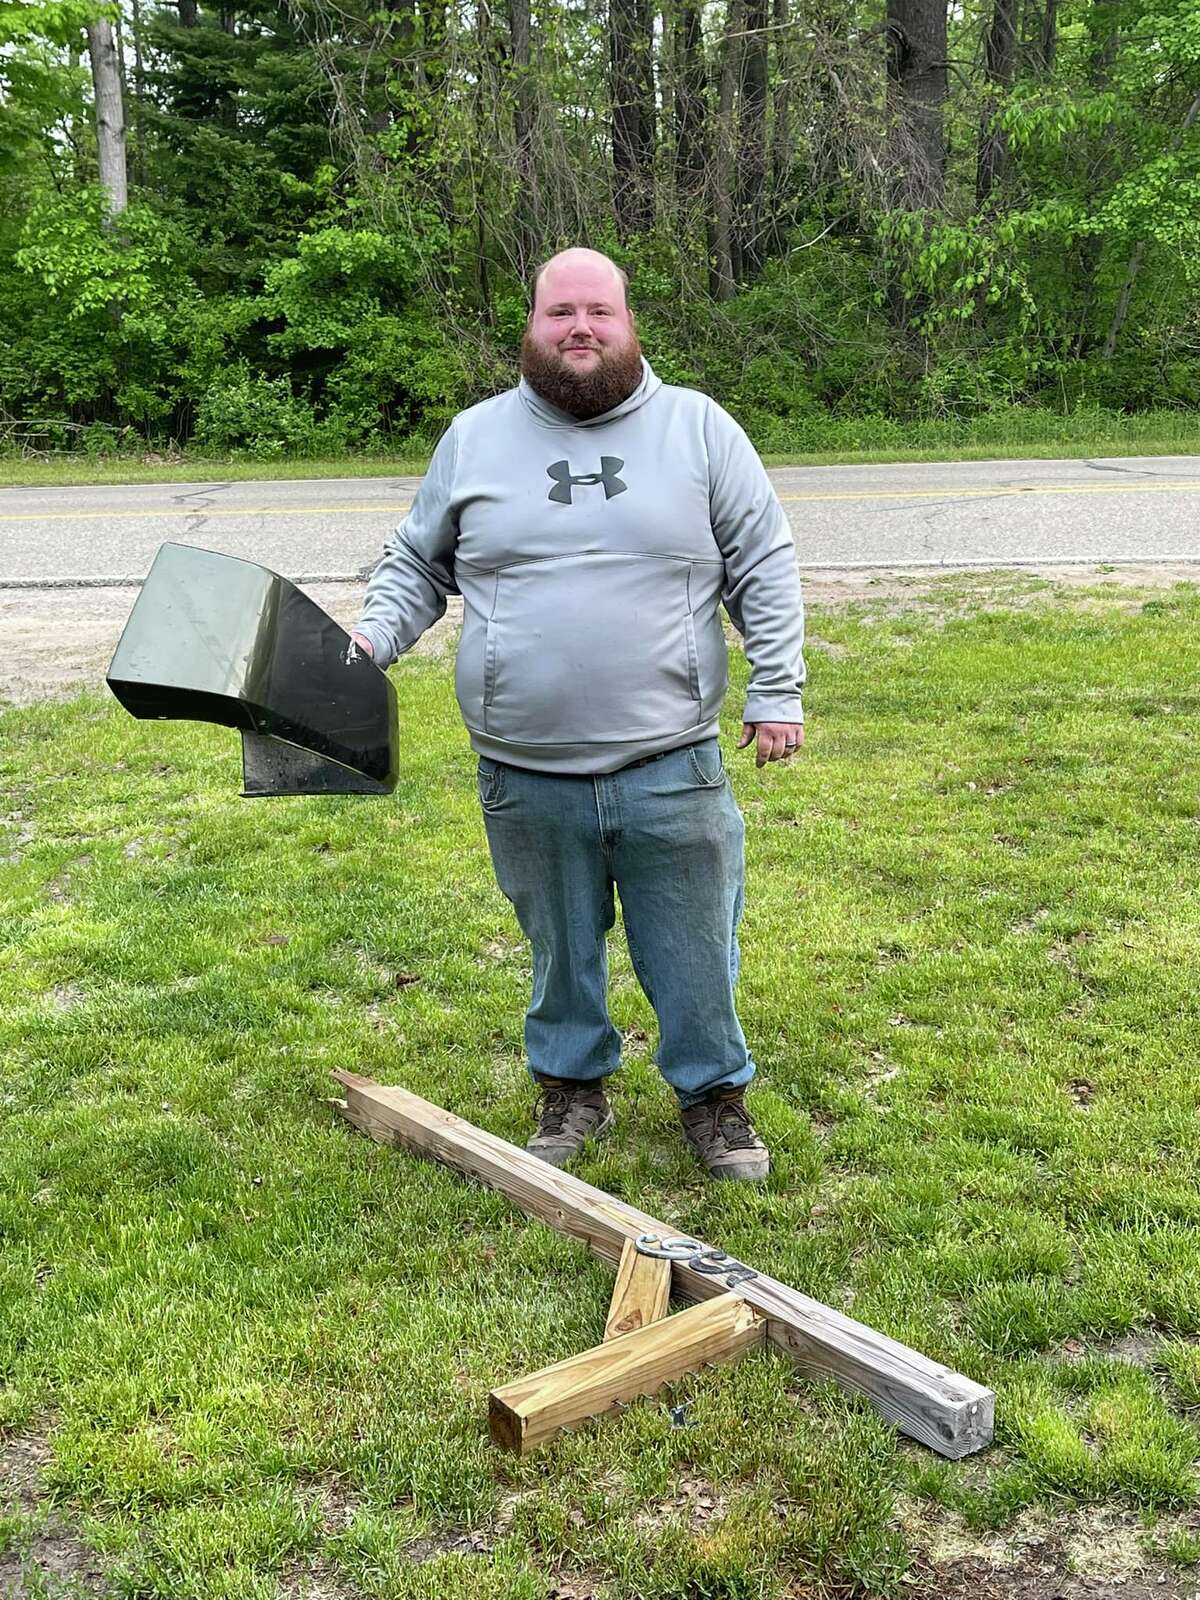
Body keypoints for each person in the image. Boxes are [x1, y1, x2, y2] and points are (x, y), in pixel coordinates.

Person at [350, 247, 805, 1182]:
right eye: (560, 312)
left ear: (632, 323)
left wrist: (777, 689)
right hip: (524, 767)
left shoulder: (700, 429)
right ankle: (572, 1088)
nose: (580, 328)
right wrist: (367, 645)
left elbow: (763, 561)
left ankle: (715, 1100)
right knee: (557, 948)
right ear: (532, 324)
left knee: (693, 946)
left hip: (670, 760)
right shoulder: (474, 439)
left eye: (599, 310)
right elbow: (416, 566)